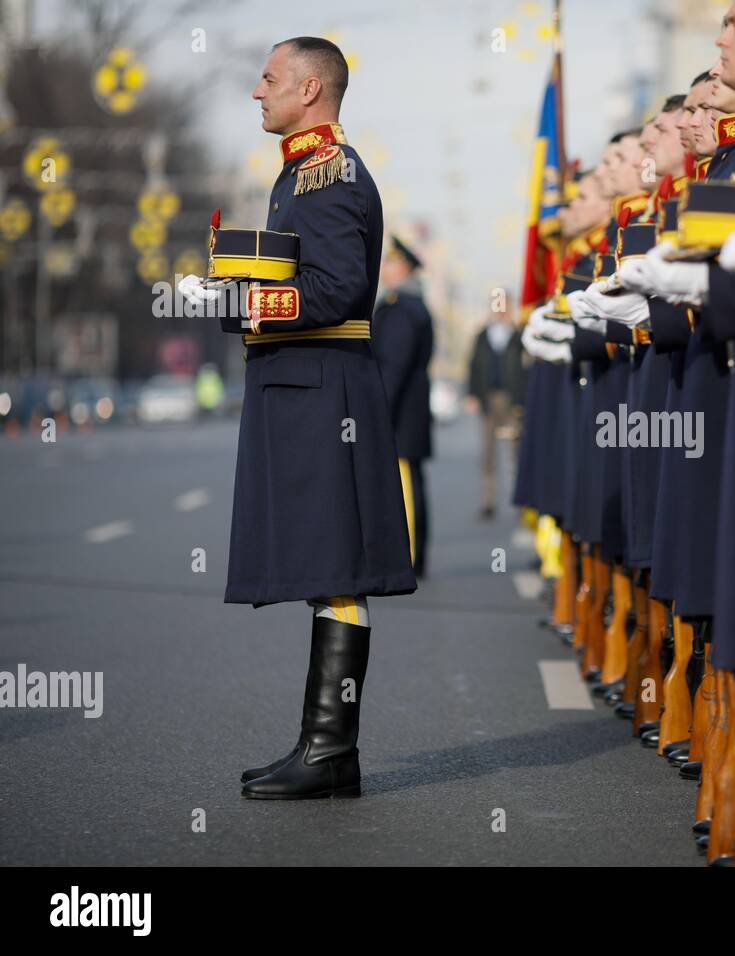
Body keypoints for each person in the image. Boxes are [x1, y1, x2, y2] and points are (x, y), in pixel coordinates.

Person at [180, 36, 415, 800]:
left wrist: (234, 301)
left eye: (270, 78)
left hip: (324, 394)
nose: (257, 90)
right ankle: (324, 748)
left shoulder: (328, 176)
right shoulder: (302, 173)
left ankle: (329, 750)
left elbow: (340, 290)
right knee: (328, 570)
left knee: (337, 569)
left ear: (311, 89)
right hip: (311, 389)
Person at [373, 235, 435, 575]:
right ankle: (407, 555)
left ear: (405, 268)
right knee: (406, 482)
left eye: (391, 263)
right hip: (408, 412)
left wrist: (378, 410)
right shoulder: (408, 304)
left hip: (401, 414)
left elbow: (392, 366)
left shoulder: (402, 308)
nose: (384, 268)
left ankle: (408, 556)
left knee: (405, 486)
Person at [466, 309, 525, 520]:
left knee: (514, 454)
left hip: (511, 401)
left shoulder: (518, 335)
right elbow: (473, 364)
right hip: (488, 399)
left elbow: (524, 367)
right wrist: (472, 394)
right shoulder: (483, 336)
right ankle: (488, 502)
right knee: (488, 455)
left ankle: (519, 502)